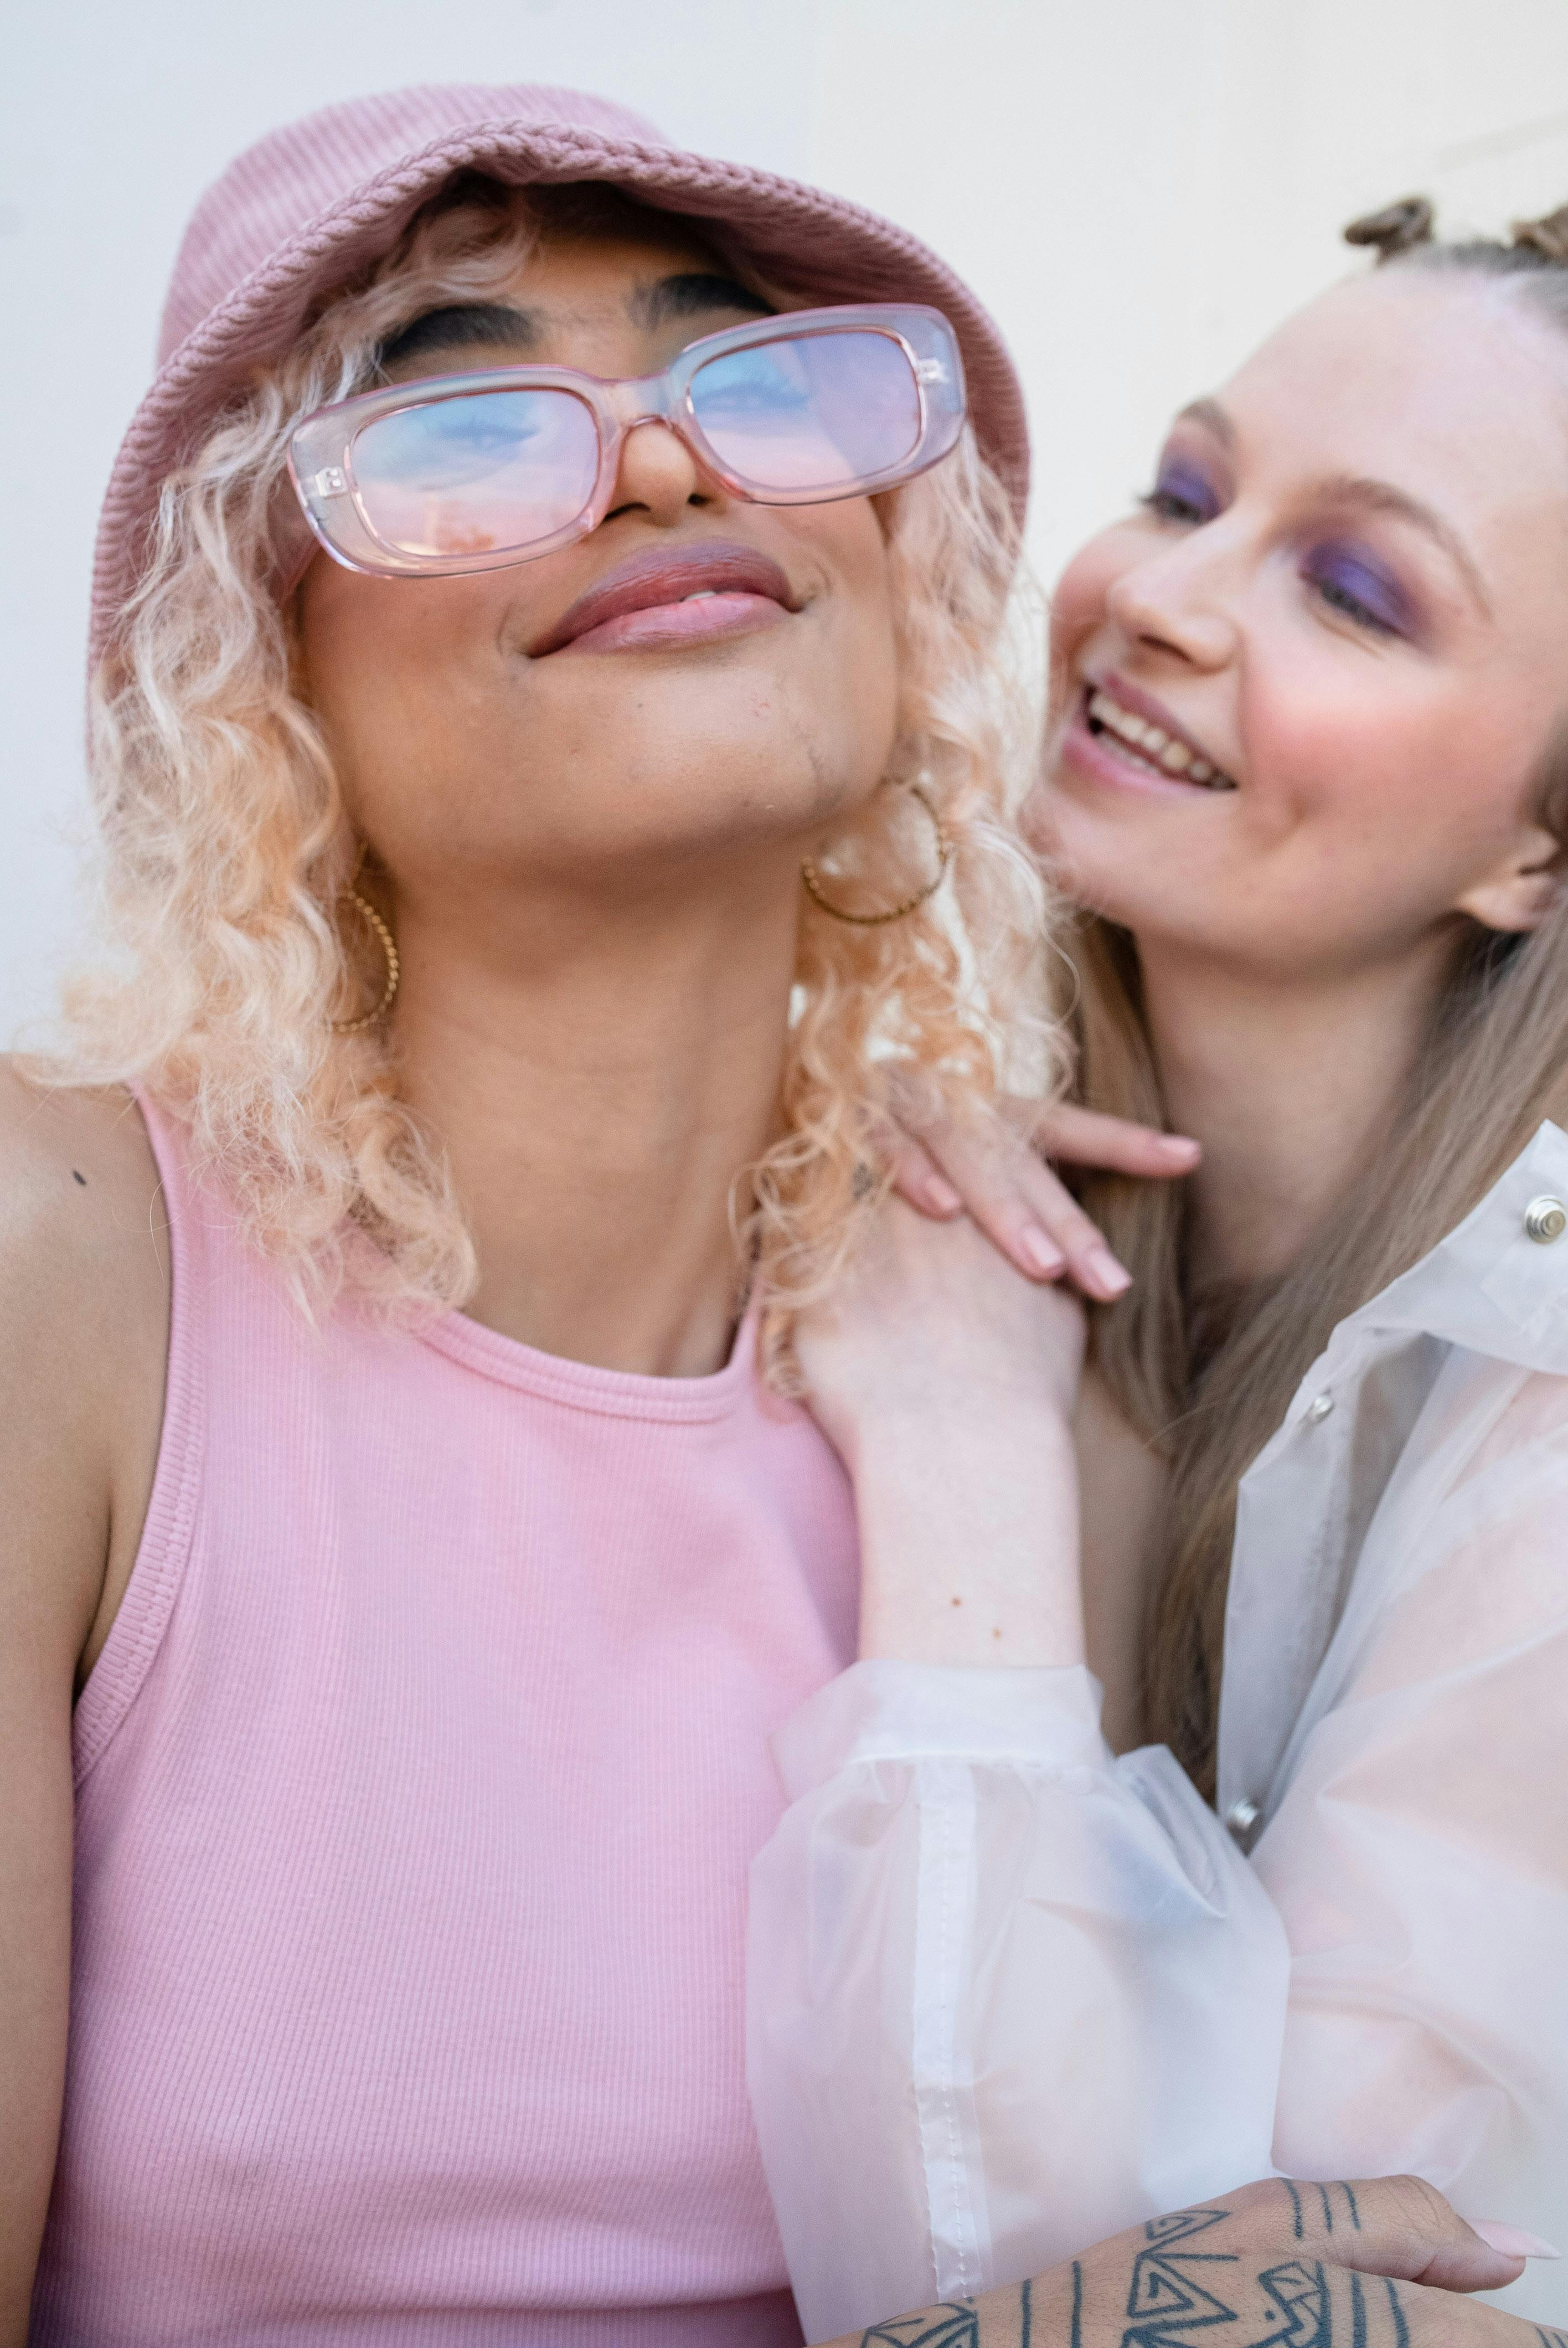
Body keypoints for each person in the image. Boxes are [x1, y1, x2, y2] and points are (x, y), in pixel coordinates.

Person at [3, 78, 1056, 2347]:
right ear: (251, 675)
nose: (669, 465)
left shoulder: (1031, 1382)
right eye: (467, 423)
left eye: (752, 378)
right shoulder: (55, 1268)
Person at [748, 197, 1568, 2342]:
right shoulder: (909, 1177)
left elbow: (1115, 2305)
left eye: (1359, 594)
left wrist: (959, 1454)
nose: (1162, 601)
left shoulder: (1548, 1431)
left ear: (1540, 846)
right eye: (1187, 491)